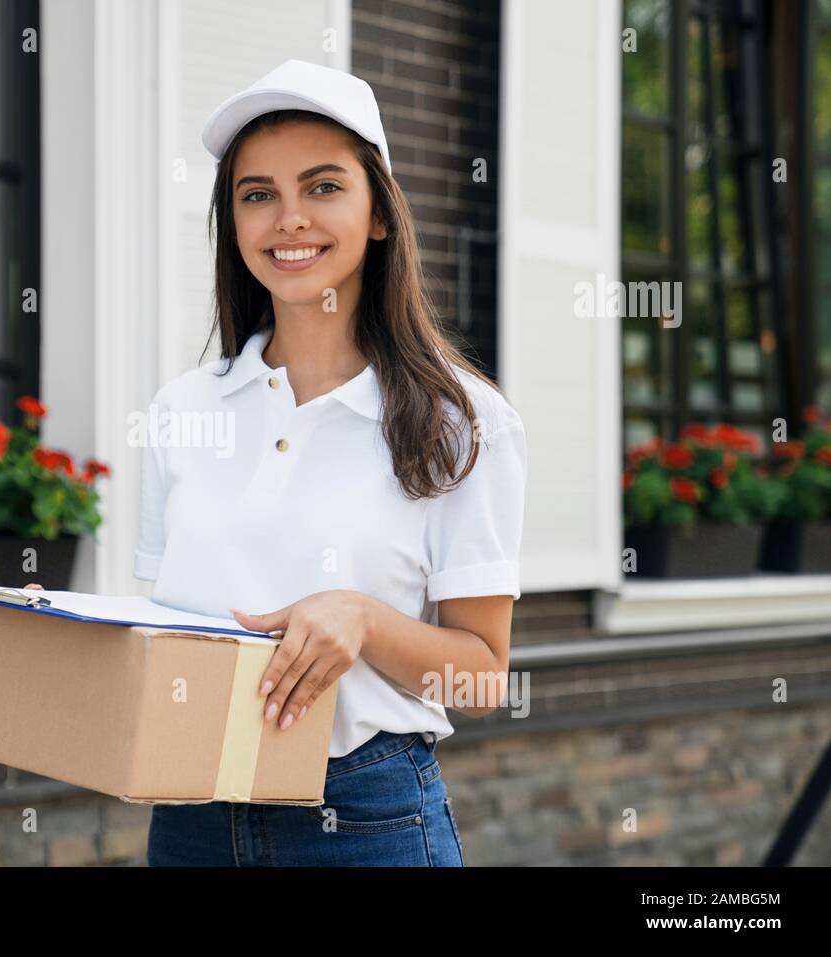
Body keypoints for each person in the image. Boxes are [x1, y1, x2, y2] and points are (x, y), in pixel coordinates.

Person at [29, 59, 527, 866]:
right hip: (191, 816)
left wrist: (362, 618)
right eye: (257, 194)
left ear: (378, 215)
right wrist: (51, 627)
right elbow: (176, 634)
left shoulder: (464, 424)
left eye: (323, 186)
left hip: (366, 817)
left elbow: (481, 678)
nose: (288, 218)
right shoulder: (180, 410)